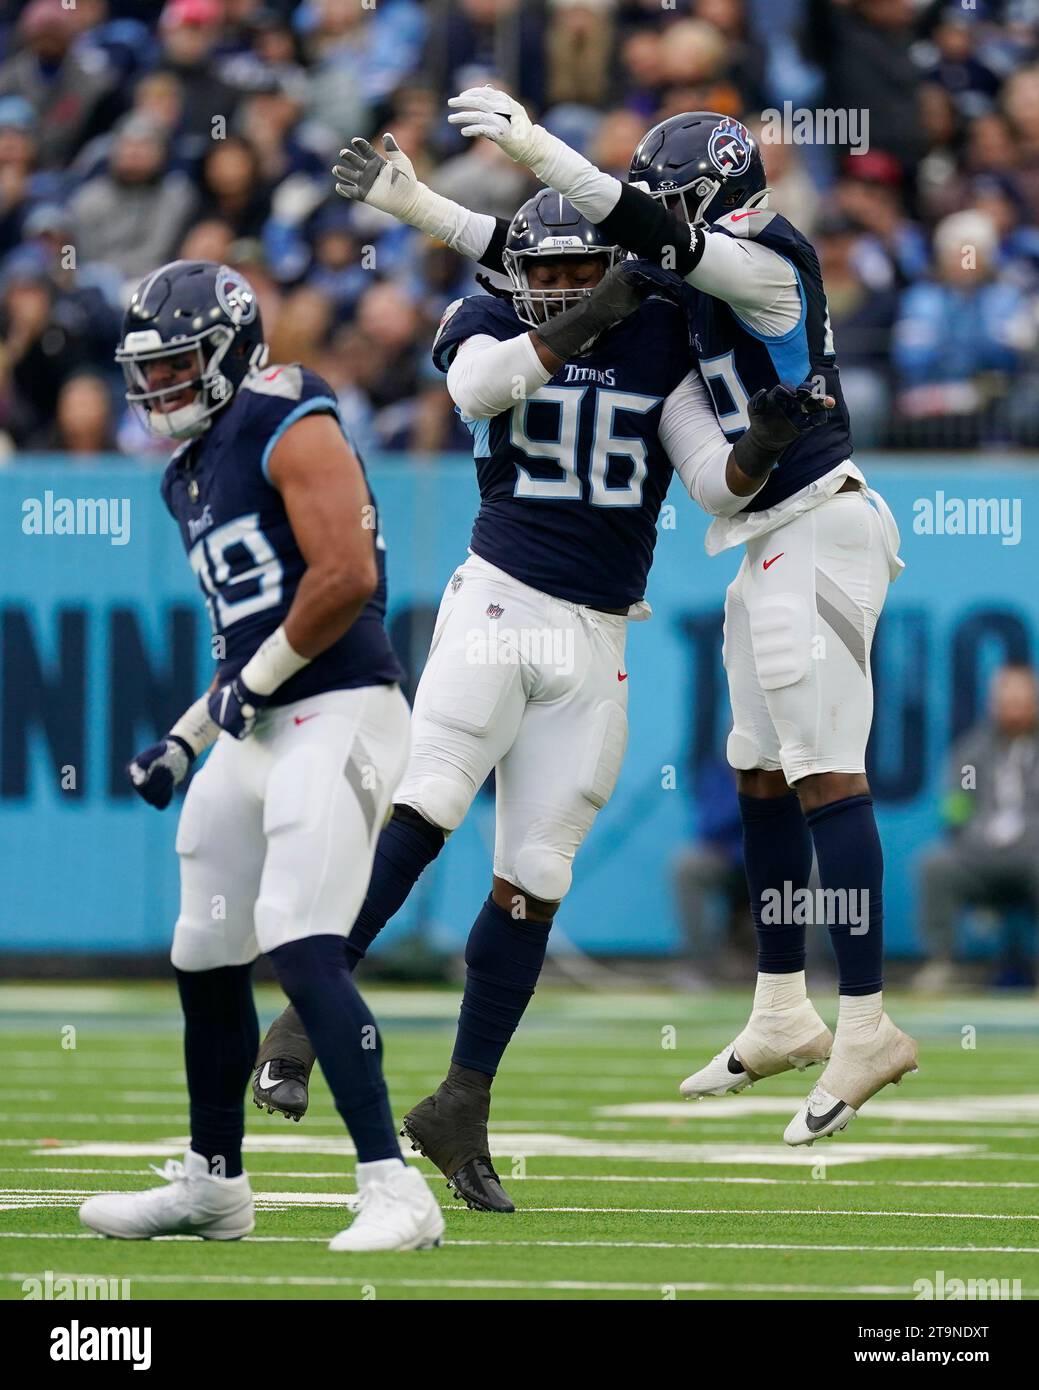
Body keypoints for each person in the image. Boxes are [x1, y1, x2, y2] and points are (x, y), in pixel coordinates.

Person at [253, 177, 829, 1211]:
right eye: (545, 273)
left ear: (611, 262)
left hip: (598, 633)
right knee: (426, 805)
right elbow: (477, 391)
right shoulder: (483, 316)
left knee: (536, 874)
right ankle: (300, 1015)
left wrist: (766, 441)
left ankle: (461, 1103)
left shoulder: (660, 340)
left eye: (582, 269)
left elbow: (710, 480)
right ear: (516, 276)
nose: (562, 284)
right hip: (498, 601)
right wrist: (594, 309)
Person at [436, 87, 917, 1146]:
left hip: (823, 526)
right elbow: (522, 248)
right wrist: (412, 206)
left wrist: (537, 144)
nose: (648, 220)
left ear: (710, 196)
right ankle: (782, 1006)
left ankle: (869, 1021)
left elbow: (624, 220)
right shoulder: (698, 268)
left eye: (666, 201)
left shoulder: (765, 262)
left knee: (825, 770)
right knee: (758, 766)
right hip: (764, 537)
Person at [77, 259, 443, 1253]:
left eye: (178, 364)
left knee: (296, 930)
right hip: (262, 719)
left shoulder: (288, 410)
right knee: (203, 943)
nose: (157, 388)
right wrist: (187, 736)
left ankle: (395, 1189)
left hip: (342, 708)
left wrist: (242, 693)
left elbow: (344, 575)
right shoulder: (182, 472)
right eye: (145, 371)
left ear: (234, 350)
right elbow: (243, 649)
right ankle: (213, 1183)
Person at [915, 664, 1039, 993]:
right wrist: (976, 837)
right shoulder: (969, 752)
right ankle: (941, 962)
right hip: (980, 858)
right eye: (1007, 702)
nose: (1014, 710)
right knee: (936, 866)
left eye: (1022, 702)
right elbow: (954, 811)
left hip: (1033, 858)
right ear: (993, 704)